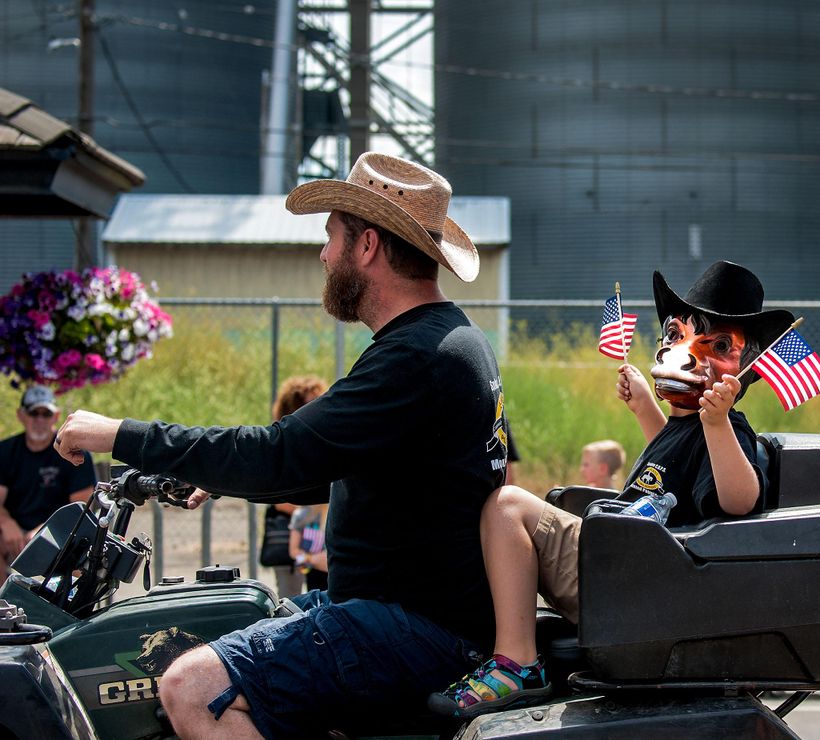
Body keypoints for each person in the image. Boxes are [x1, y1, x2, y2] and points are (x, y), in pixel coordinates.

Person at [53, 153, 512, 738]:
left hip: (412, 627)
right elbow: (345, 465)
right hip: (406, 615)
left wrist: (120, 435)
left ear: (367, 245)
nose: (323, 254)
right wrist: (215, 478)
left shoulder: (417, 356)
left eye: (331, 236)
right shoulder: (449, 339)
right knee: (226, 618)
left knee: (191, 687)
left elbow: (279, 452)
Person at [428, 260, 795, 718]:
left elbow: (740, 501)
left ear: (746, 365)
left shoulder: (724, 430)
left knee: (508, 507)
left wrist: (718, 422)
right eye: (675, 333)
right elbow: (670, 474)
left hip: (635, 581)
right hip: (623, 567)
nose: (682, 352)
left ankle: (517, 663)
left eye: (718, 345)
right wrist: (644, 408)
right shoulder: (684, 430)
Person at [0, 385, 96, 569]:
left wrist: (43, 532)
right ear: (21, 415)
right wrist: (6, 523)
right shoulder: (5, 451)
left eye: (46, 414)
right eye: (33, 413)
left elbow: (81, 509)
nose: (40, 420)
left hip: (62, 532)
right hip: (15, 537)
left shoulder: (74, 452)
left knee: (81, 554)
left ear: (56, 416)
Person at [264, 375, 329, 598]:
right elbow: (281, 501)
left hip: (316, 537)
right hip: (294, 538)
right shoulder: (283, 444)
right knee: (289, 597)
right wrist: (314, 511)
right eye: (305, 403)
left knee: (322, 593)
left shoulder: (323, 444)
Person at [288, 503, 329, 593]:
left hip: (335, 571)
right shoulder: (301, 514)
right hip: (313, 572)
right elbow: (293, 552)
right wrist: (311, 558)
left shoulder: (337, 511)